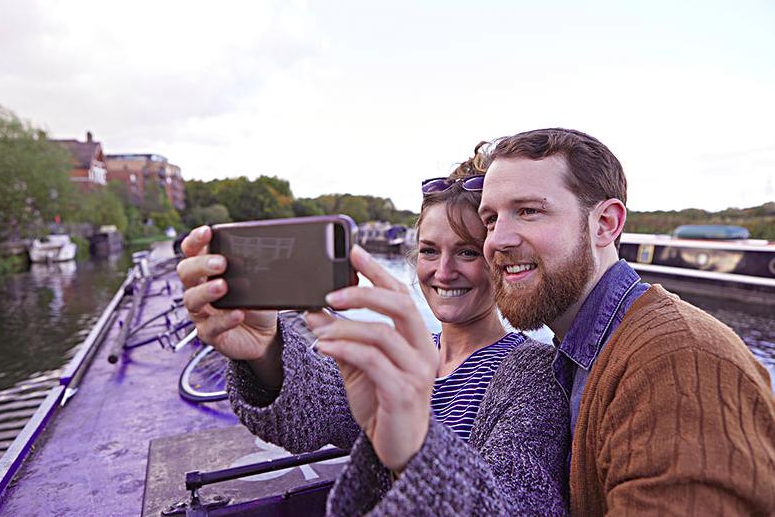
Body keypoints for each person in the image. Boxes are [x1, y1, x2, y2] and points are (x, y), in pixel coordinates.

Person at [177, 147, 571, 515]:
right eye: (430, 251)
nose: (443, 270)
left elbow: (521, 503)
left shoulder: (534, 373)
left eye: (467, 252)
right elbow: (316, 409)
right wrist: (263, 348)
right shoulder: (404, 354)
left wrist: (414, 446)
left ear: (497, 259)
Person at [462, 128, 775, 515]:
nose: (498, 240)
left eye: (529, 211)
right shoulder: (584, 355)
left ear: (605, 224)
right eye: (490, 219)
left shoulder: (676, 362)